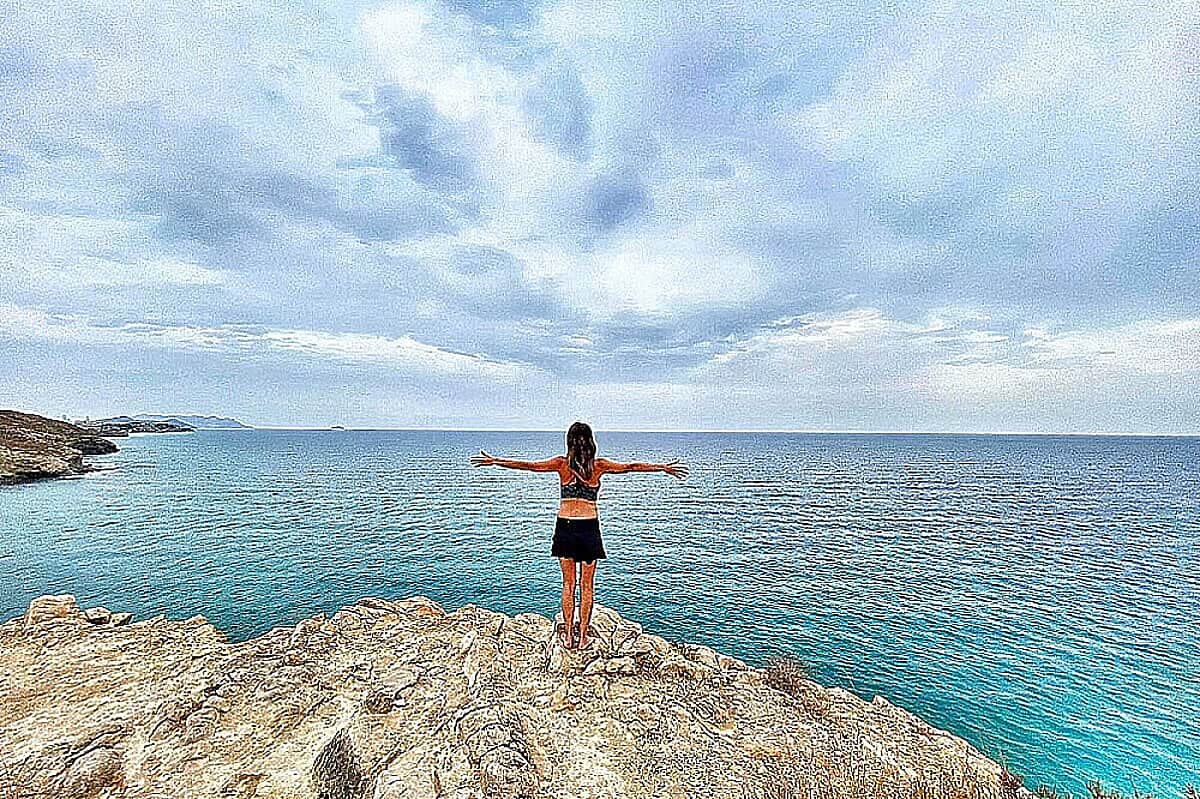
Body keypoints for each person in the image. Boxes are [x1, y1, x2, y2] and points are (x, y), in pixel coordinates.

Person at [469, 421, 688, 649]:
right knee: (587, 586)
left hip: (565, 527)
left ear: (569, 442)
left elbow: (529, 466)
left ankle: (568, 637)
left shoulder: (561, 464)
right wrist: (662, 467)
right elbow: (630, 467)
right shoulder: (599, 466)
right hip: (589, 528)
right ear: (591, 442)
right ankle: (583, 636)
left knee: (567, 584)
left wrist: (496, 461)